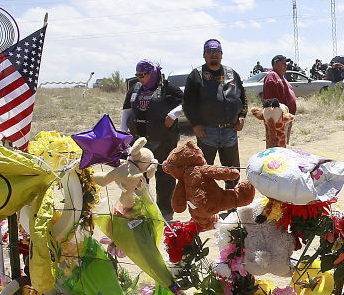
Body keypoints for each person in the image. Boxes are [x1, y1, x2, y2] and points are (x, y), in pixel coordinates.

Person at [121, 59, 184, 219]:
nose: (140, 77)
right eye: (137, 74)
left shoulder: (168, 88)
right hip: (139, 140)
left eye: (143, 74)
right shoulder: (135, 88)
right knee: (137, 174)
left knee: (164, 174)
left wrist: (173, 114)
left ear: (153, 73)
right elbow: (126, 111)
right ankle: (141, 210)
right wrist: (122, 134)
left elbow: (187, 103)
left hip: (163, 139)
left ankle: (165, 211)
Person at [182, 39, 247, 188]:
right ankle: (205, 206)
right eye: (210, 52)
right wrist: (196, 124)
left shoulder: (232, 74)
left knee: (232, 171)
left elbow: (243, 97)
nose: (213, 55)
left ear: (221, 55)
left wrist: (242, 116)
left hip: (230, 130)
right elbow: (187, 103)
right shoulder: (196, 75)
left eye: (216, 51)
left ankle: (231, 205)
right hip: (206, 131)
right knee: (203, 170)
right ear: (204, 55)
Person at [262, 54, 298, 145]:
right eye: (283, 63)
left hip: (286, 118)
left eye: (286, 64)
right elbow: (269, 100)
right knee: (277, 147)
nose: (285, 66)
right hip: (277, 121)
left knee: (284, 145)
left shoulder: (282, 77)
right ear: (275, 64)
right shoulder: (272, 76)